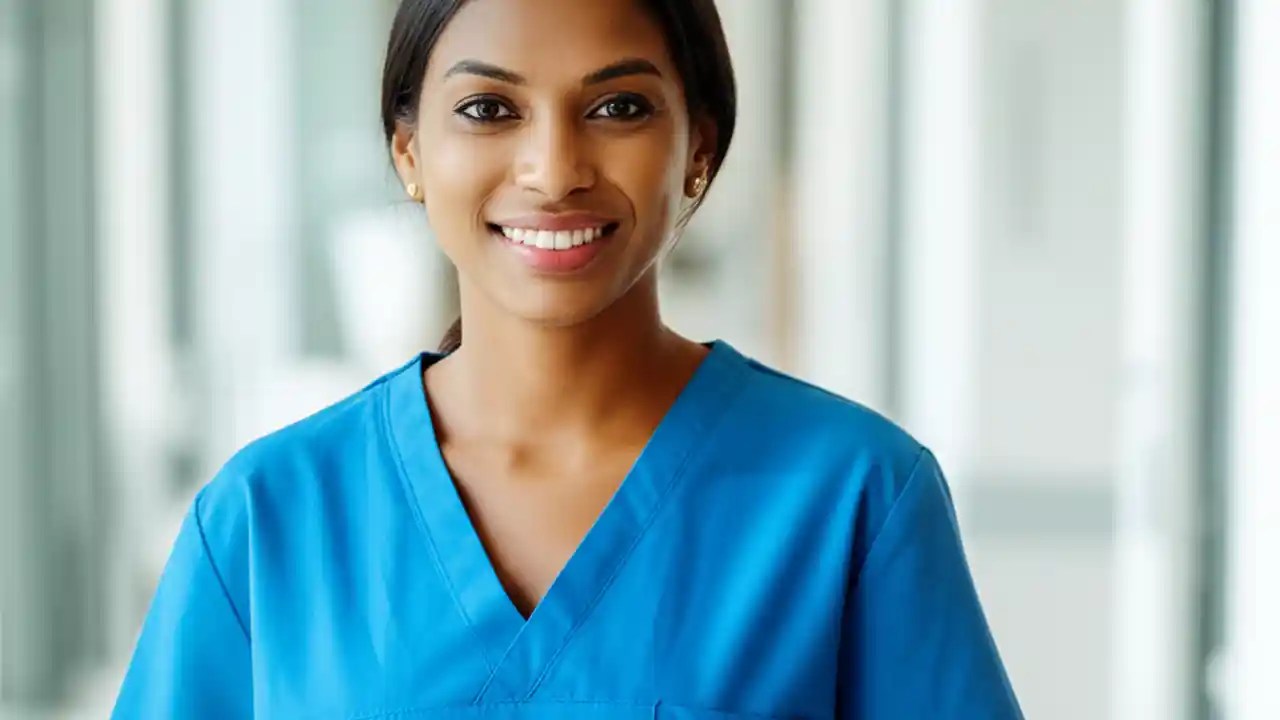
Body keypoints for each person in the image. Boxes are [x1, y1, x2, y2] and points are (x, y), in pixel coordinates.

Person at [112, 0, 1023, 717]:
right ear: (409, 152)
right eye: (488, 109)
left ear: (697, 149)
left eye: (618, 107)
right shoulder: (269, 519)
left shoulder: (852, 497)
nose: (554, 169)